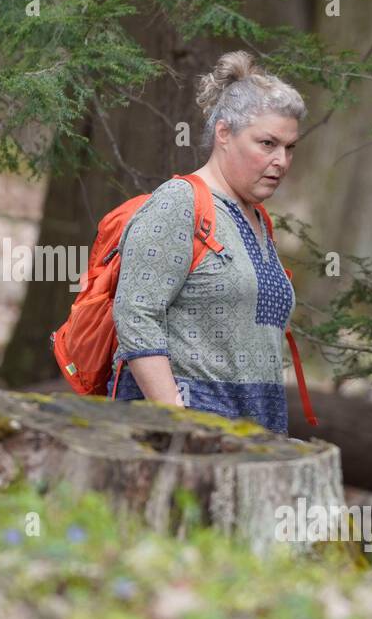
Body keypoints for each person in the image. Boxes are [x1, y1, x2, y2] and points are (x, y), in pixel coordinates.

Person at [107, 50, 305, 436]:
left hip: (256, 428)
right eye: (267, 143)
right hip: (187, 436)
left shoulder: (258, 219)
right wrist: (177, 420)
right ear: (224, 134)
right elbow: (135, 313)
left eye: (290, 147)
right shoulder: (179, 203)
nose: (281, 160)